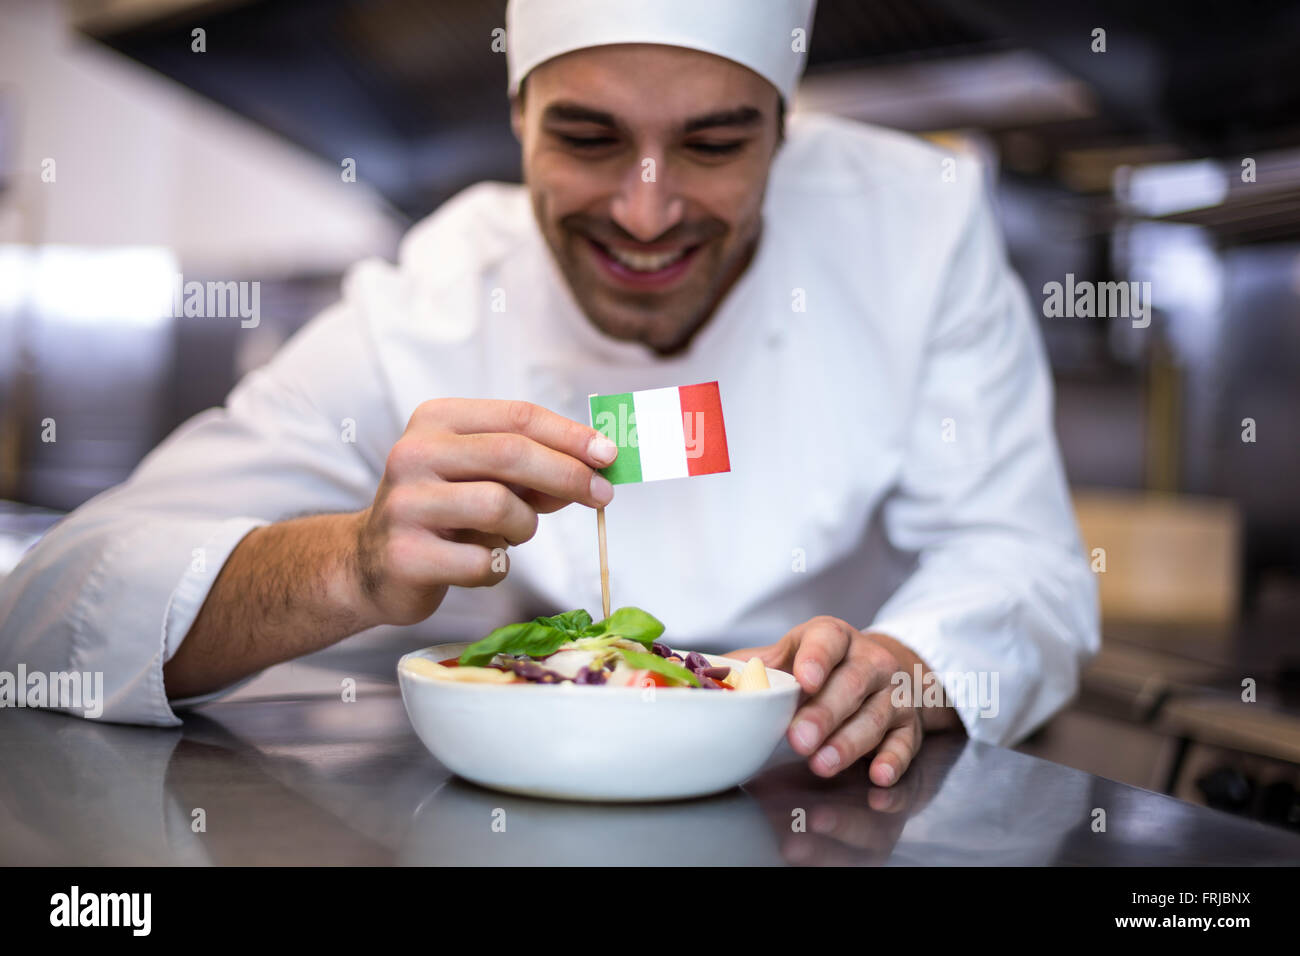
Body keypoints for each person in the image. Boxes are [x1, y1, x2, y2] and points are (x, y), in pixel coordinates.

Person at [0, 0, 1098, 787]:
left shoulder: (914, 229)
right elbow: (46, 614)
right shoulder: (434, 295)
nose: (647, 212)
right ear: (519, 119)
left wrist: (918, 662)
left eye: (715, 143)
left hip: (826, 798)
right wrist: (349, 560)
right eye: (586, 136)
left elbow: (1023, 561)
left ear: (783, 127)